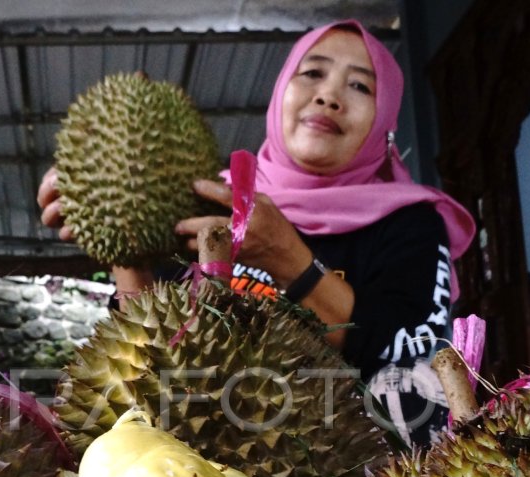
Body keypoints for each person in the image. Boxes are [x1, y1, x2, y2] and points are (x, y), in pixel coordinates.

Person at [38, 20, 476, 447]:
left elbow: (416, 368)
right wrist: (123, 236)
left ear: (386, 120)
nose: (328, 96)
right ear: (281, 90)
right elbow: (148, 350)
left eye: (360, 85)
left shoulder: (411, 222)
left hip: (351, 469)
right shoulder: (207, 199)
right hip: (197, 460)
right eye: (313, 73)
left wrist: (289, 260)